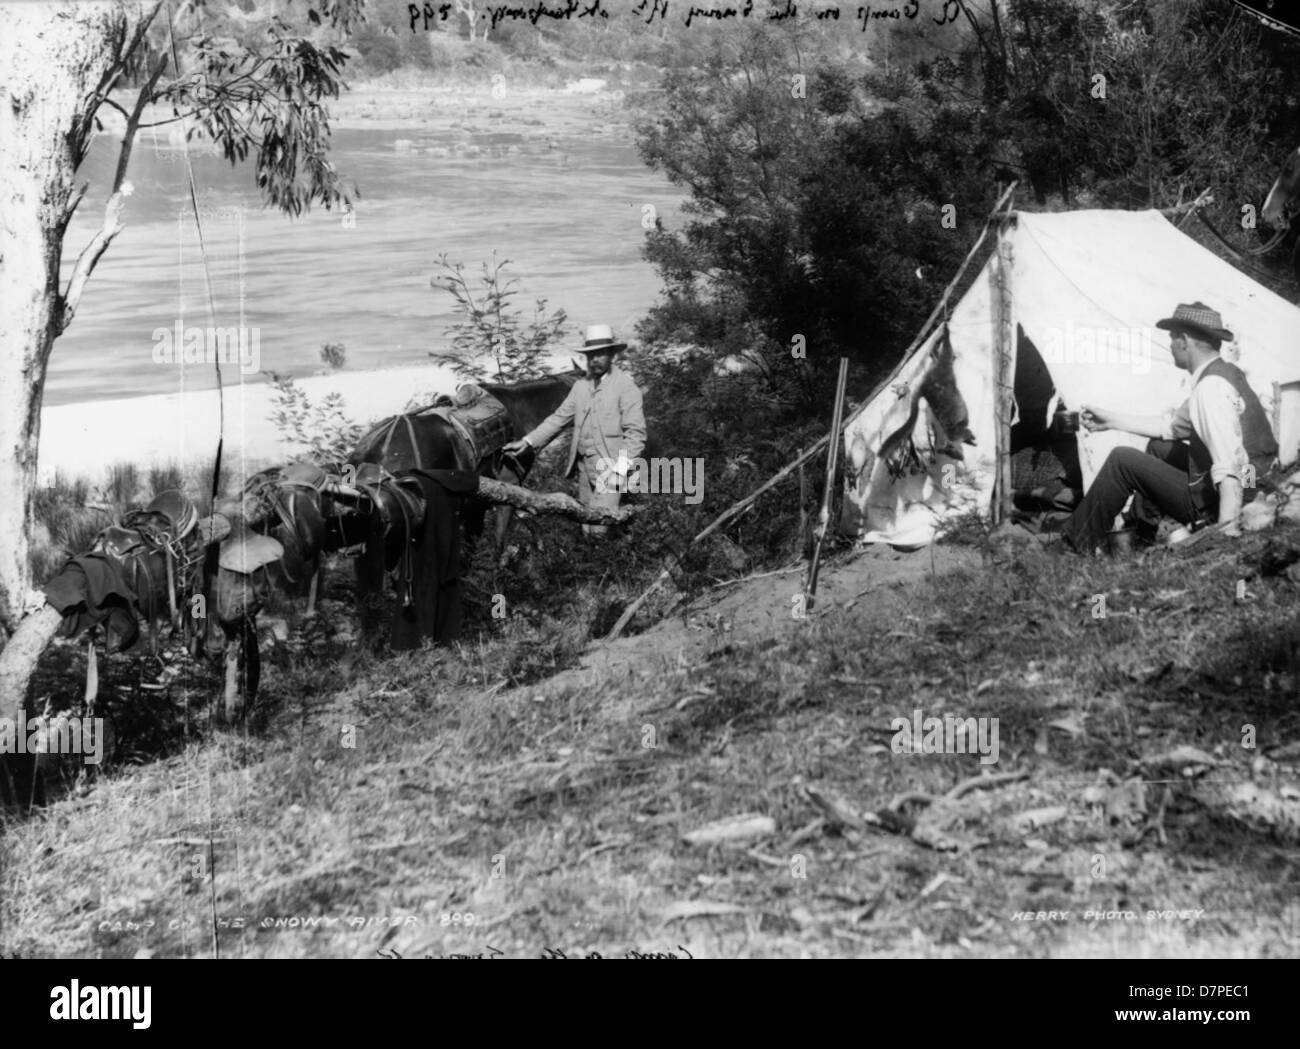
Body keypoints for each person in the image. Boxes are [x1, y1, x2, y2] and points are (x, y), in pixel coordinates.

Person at [1059, 301, 1278, 554]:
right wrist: (1108, 420)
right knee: (1160, 447)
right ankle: (1137, 537)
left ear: (1184, 341)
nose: (1170, 344)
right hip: (1255, 483)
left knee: (1122, 460)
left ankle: (1073, 545)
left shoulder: (1211, 390)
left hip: (1241, 498)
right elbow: (1171, 428)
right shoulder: (1222, 374)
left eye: (1172, 338)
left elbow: (1230, 466)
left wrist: (1226, 534)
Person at [503, 324, 647, 537]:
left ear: (611, 355)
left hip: (612, 469)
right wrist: (528, 441)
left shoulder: (626, 388)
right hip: (584, 469)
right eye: (590, 355)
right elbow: (558, 419)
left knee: (600, 527)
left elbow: (636, 436)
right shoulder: (581, 386)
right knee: (586, 527)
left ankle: (612, 563)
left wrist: (619, 471)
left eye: (600, 354)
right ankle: (601, 563)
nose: (594, 360)